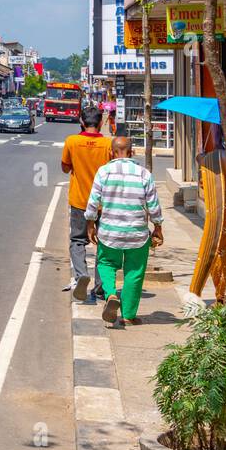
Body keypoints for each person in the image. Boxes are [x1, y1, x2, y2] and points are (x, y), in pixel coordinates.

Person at [84, 136, 165, 328]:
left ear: (111, 152)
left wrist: (90, 224)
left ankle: (111, 293)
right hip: (137, 233)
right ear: (132, 152)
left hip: (109, 232)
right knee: (134, 272)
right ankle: (128, 315)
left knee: (105, 263)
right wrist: (158, 227)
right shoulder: (143, 174)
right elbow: (153, 204)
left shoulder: (103, 172)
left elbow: (93, 202)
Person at [61, 106, 112, 303]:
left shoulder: (72, 141)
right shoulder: (108, 144)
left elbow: (65, 168)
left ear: (82, 122)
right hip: (104, 203)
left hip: (80, 201)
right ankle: (100, 288)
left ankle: (81, 274)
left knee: (78, 240)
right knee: (103, 245)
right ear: (101, 123)